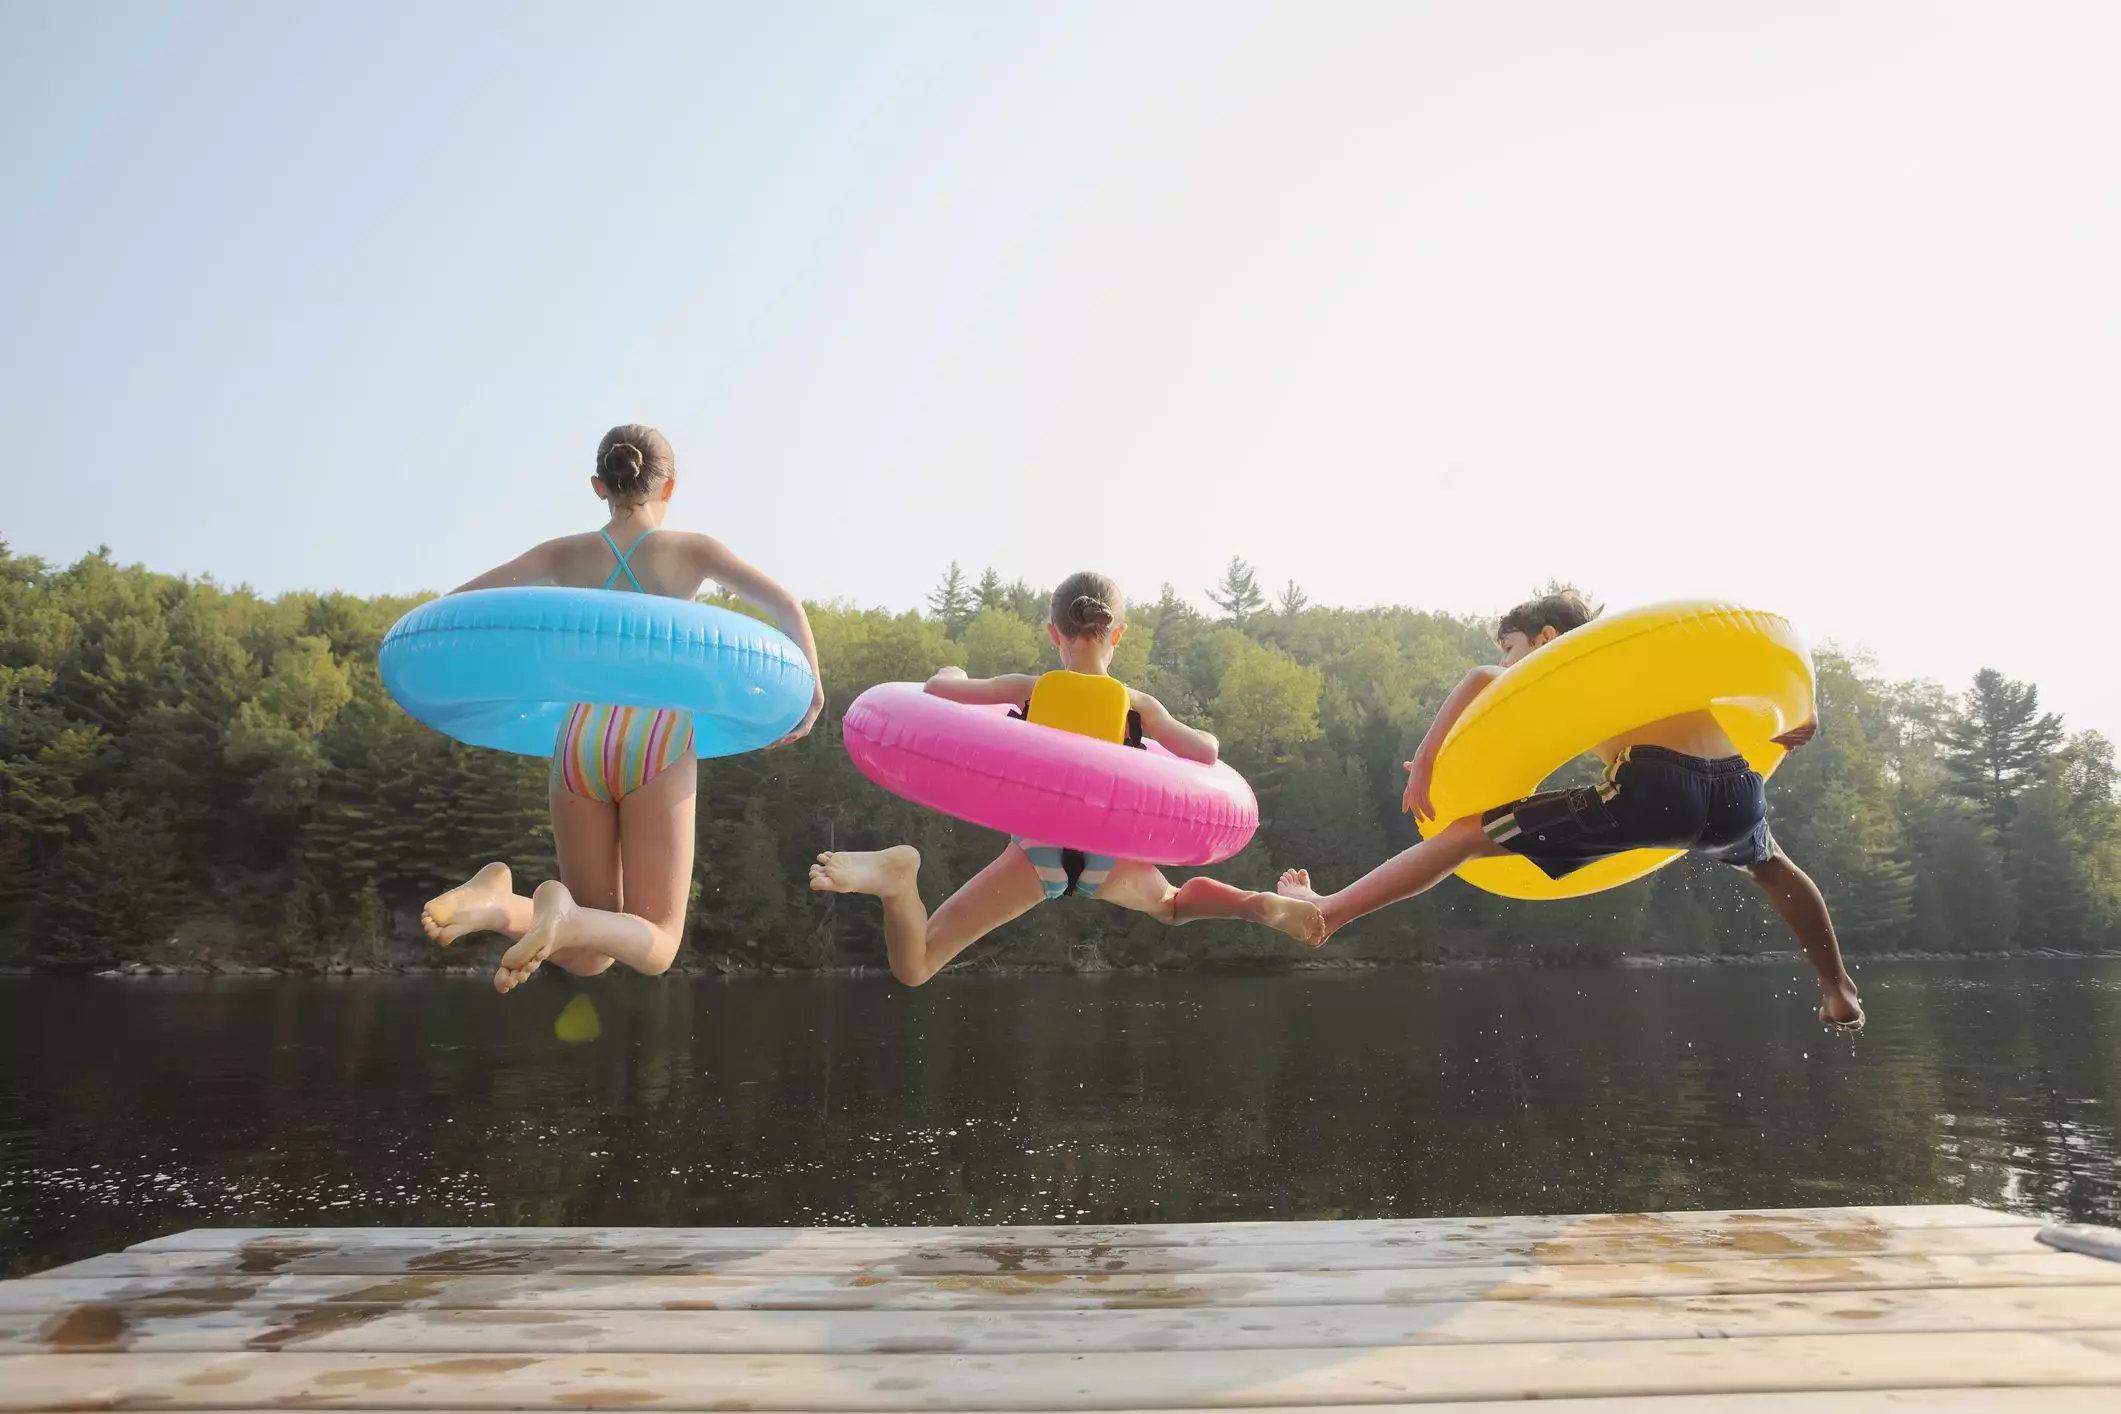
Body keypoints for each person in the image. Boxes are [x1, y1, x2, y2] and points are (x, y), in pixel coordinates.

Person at [1276, 588, 1865, 1032]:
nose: (1508, 665)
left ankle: (1329, 911)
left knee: (1461, 835)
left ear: (1546, 639)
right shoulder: (1656, 657)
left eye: (1511, 648)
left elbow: (1479, 677)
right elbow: (1793, 705)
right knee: (1774, 868)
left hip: (1655, 785)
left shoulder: (1566, 661)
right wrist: (1793, 720)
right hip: (1737, 786)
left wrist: (1427, 760)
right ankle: (1836, 988)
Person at [419, 424, 824, 993]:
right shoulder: (693, 551)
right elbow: (786, 605)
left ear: (597, 485)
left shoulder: (563, 553)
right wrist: (811, 692)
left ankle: (499, 906)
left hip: (578, 736)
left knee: (588, 954)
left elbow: (456, 610)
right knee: (657, 945)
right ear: (671, 487)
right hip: (657, 735)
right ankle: (543, 910)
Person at [809, 571, 1325, 983]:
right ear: (1117, 636)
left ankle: (899, 882)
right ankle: (1254, 906)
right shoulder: (1136, 706)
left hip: (1037, 854)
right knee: (1171, 905)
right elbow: (1205, 751)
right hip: (1112, 854)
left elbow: (939, 693)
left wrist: (954, 674)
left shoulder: (1030, 689)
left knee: (917, 966)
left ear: (1055, 633)